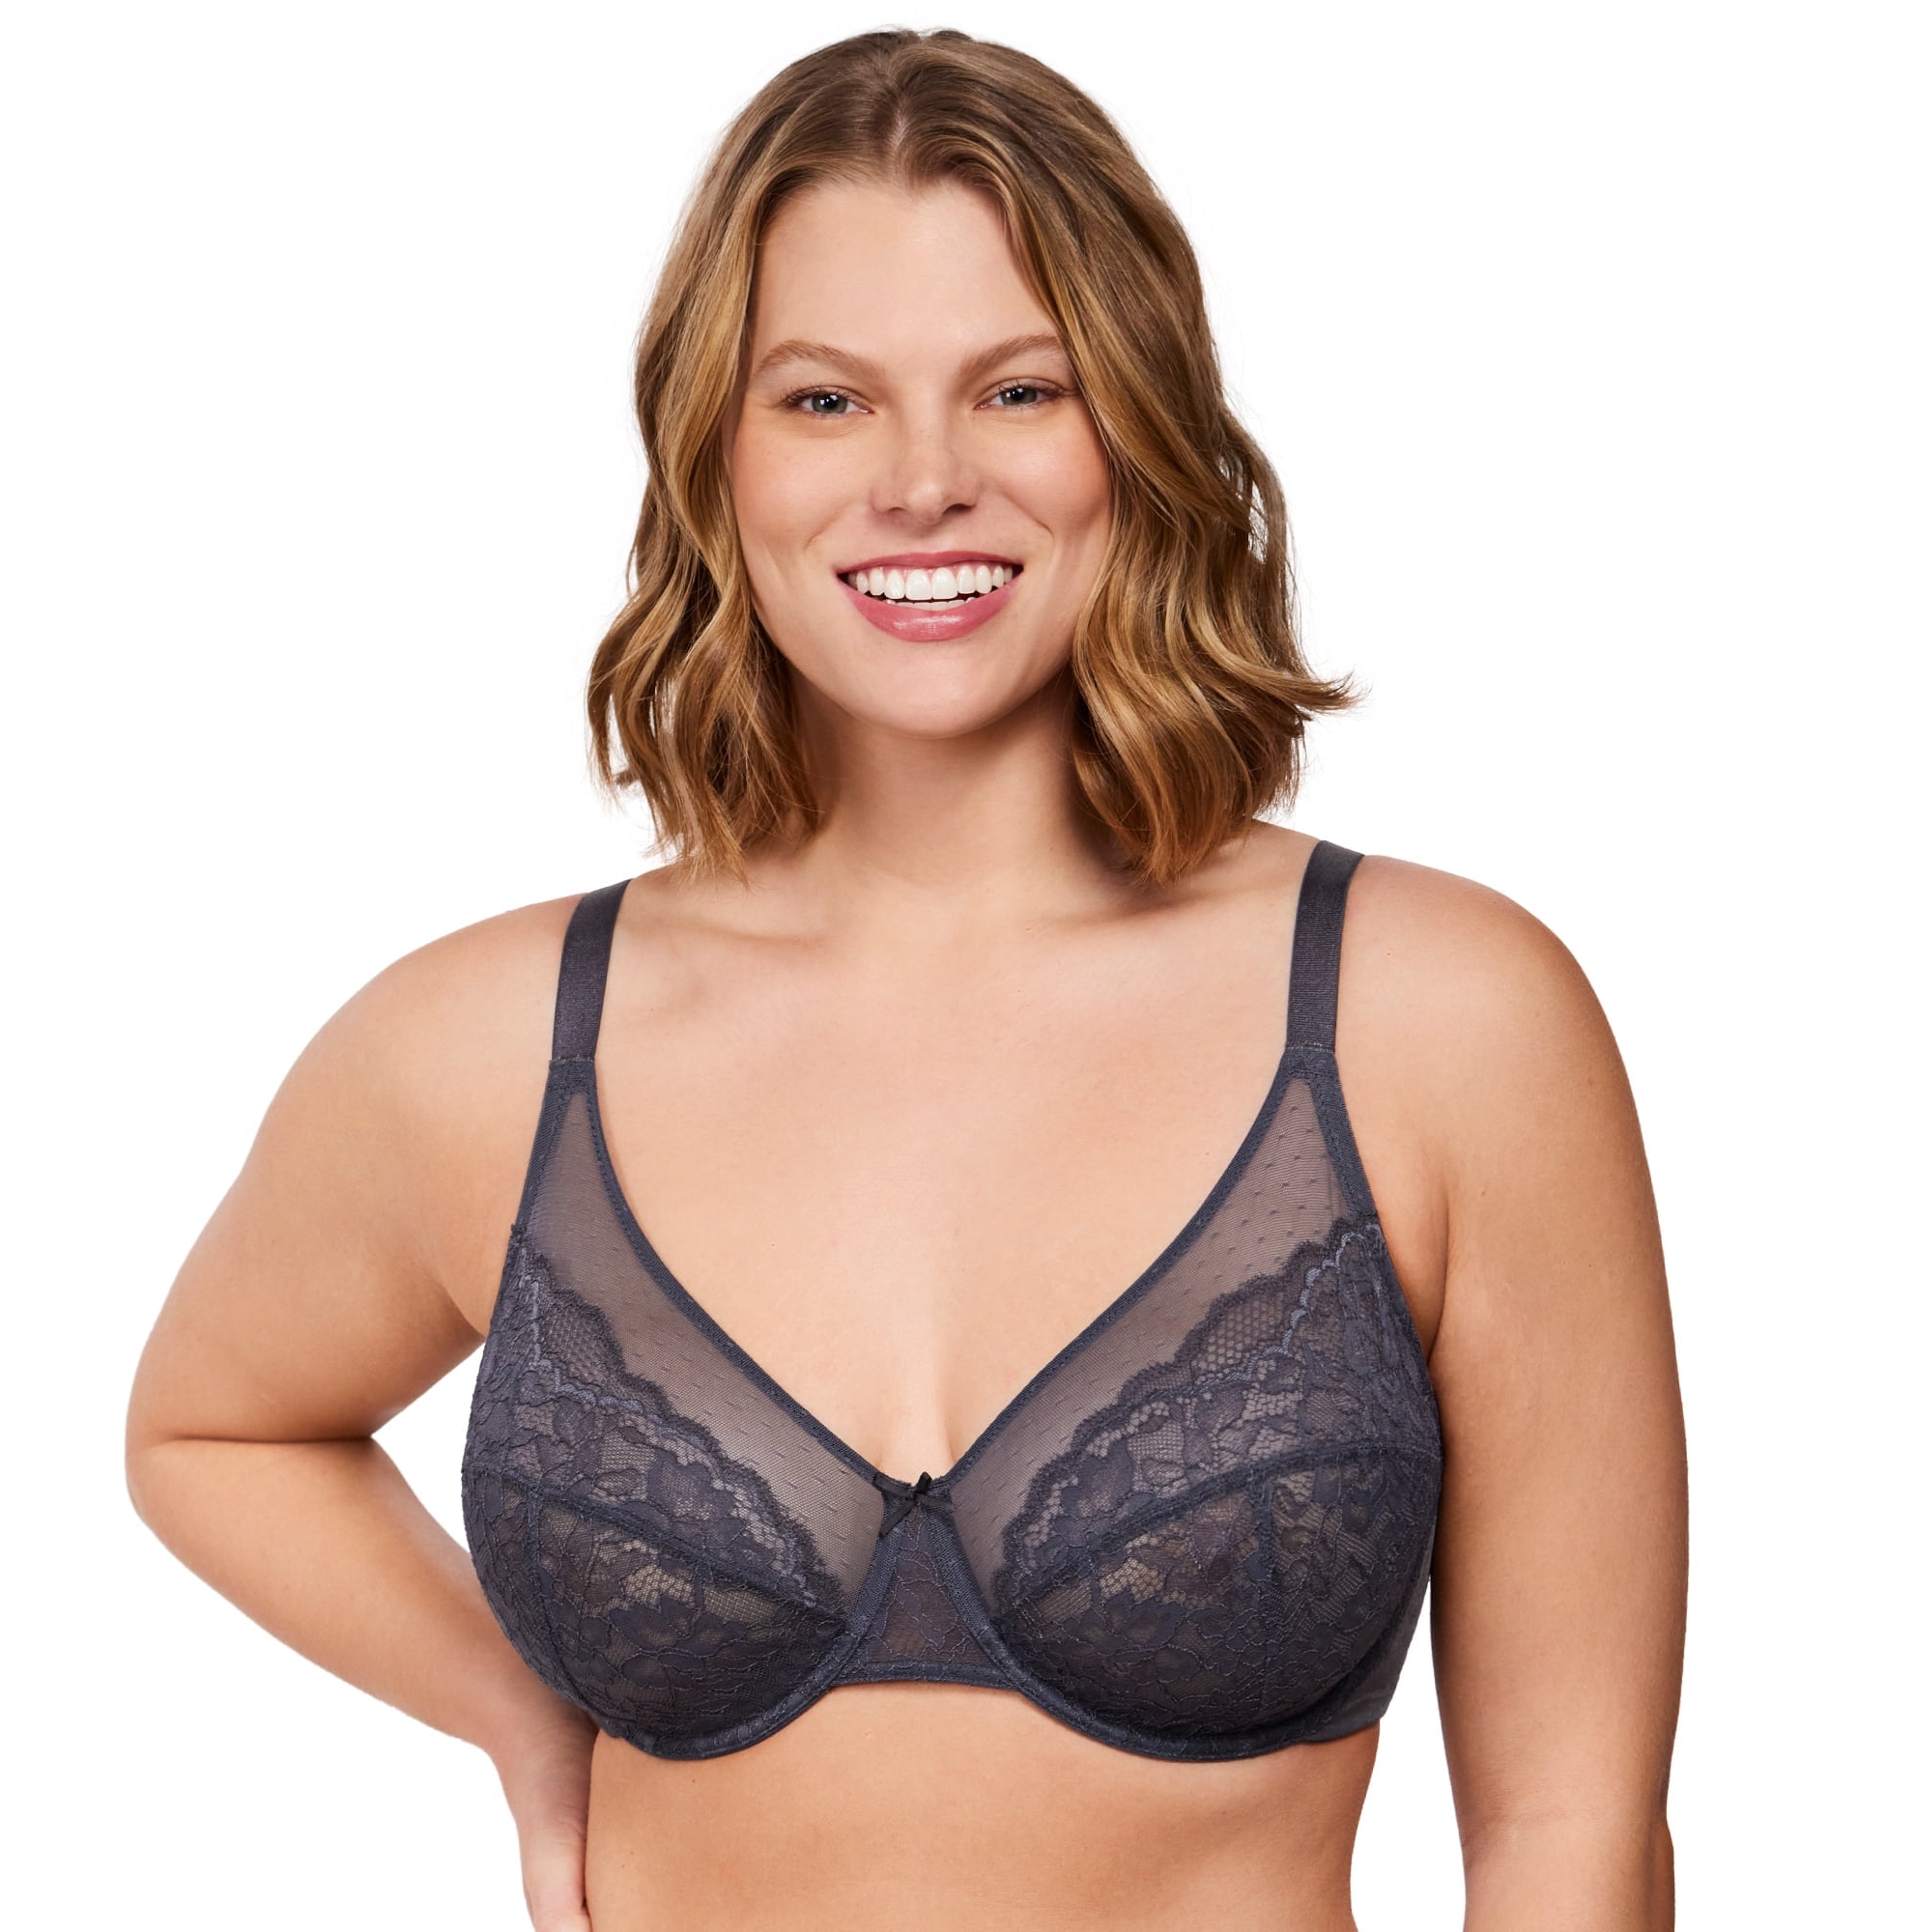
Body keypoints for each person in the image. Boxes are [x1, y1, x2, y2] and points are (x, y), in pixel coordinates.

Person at [126, 28, 1686, 1932]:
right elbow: (210, 1428)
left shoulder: (1434, 1022)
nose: (926, 481)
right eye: (825, 399)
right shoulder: (485, 1047)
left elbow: (1572, 1833)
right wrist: (524, 1719)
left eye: (1018, 389)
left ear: (1136, 427)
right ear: (716, 455)